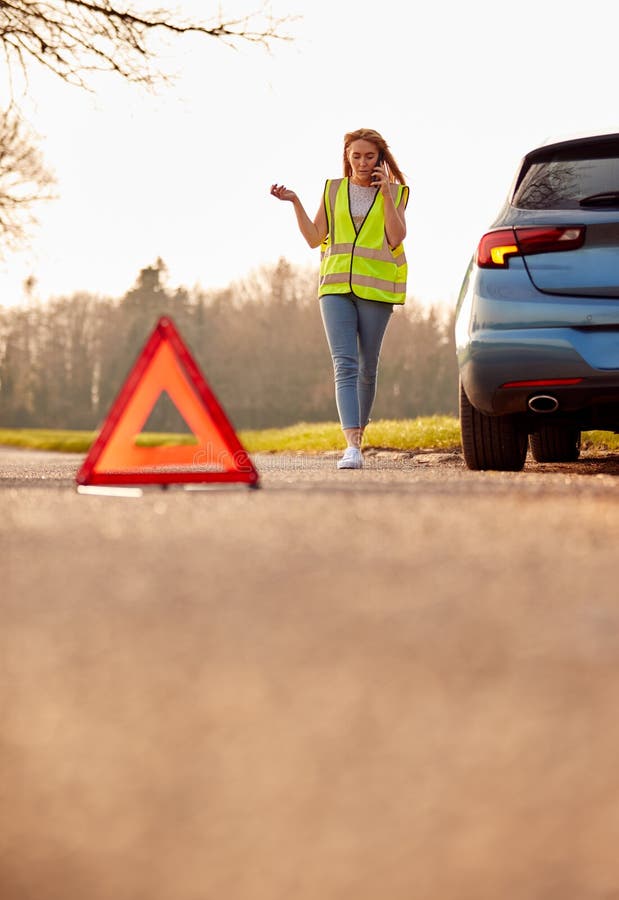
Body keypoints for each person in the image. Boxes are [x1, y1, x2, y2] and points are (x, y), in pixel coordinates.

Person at [270, 127, 409, 469]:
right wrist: (296, 203)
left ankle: (359, 438)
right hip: (334, 287)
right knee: (344, 364)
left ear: (380, 158)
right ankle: (352, 447)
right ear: (347, 156)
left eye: (369, 156)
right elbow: (315, 238)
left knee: (367, 367)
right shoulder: (332, 190)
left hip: (376, 290)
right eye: (356, 155)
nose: (362, 162)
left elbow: (395, 237)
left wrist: (386, 195)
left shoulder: (398, 192)